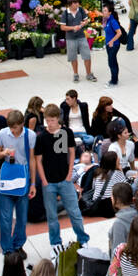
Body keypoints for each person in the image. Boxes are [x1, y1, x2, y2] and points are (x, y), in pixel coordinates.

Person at [35, 106, 90, 249]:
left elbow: (72, 153)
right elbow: (38, 160)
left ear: (57, 119)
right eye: (47, 120)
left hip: (64, 180)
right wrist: (44, 181)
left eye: (52, 120)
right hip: (49, 182)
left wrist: (69, 173)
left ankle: (83, 239)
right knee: (52, 216)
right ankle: (55, 243)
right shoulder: (41, 137)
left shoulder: (67, 132)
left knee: (75, 212)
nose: (49, 123)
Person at [0, 110, 36, 254]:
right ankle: (7, 249)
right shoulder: (2, 134)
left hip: (23, 177)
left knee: (22, 218)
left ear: (22, 125)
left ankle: (18, 245)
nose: (12, 130)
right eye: (11, 127)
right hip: (8, 176)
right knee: (5, 219)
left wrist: (33, 183)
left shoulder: (30, 135)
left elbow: (32, 159)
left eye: (15, 127)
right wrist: (4, 152)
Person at [60, 0, 97, 83]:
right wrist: (73, 28)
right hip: (70, 38)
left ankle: (89, 74)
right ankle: (76, 74)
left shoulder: (80, 10)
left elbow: (86, 20)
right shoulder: (65, 13)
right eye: (75, 3)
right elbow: (62, 27)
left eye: (78, 3)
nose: (77, 5)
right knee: (73, 57)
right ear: (71, 4)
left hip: (81, 36)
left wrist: (83, 24)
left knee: (87, 55)